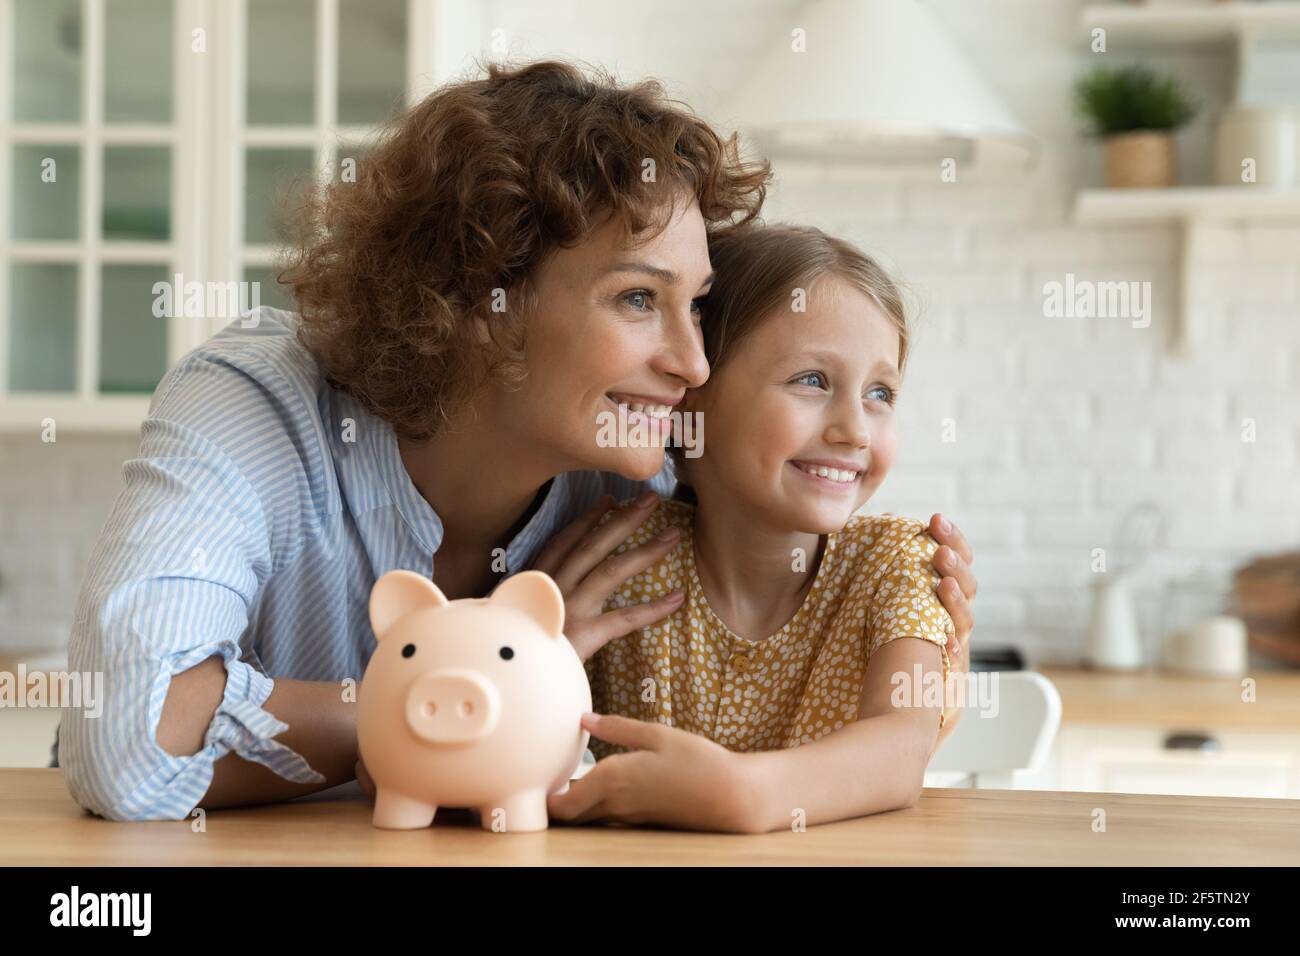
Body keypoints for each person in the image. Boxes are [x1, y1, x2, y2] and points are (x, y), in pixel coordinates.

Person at [59, 61, 977, 822]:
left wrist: (913, 654)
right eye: (636, 300)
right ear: (477, 303)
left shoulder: (647, 478)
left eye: (696, 306)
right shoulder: (255, 408)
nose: (693, 362)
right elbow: (130, 734)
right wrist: (498, 683)